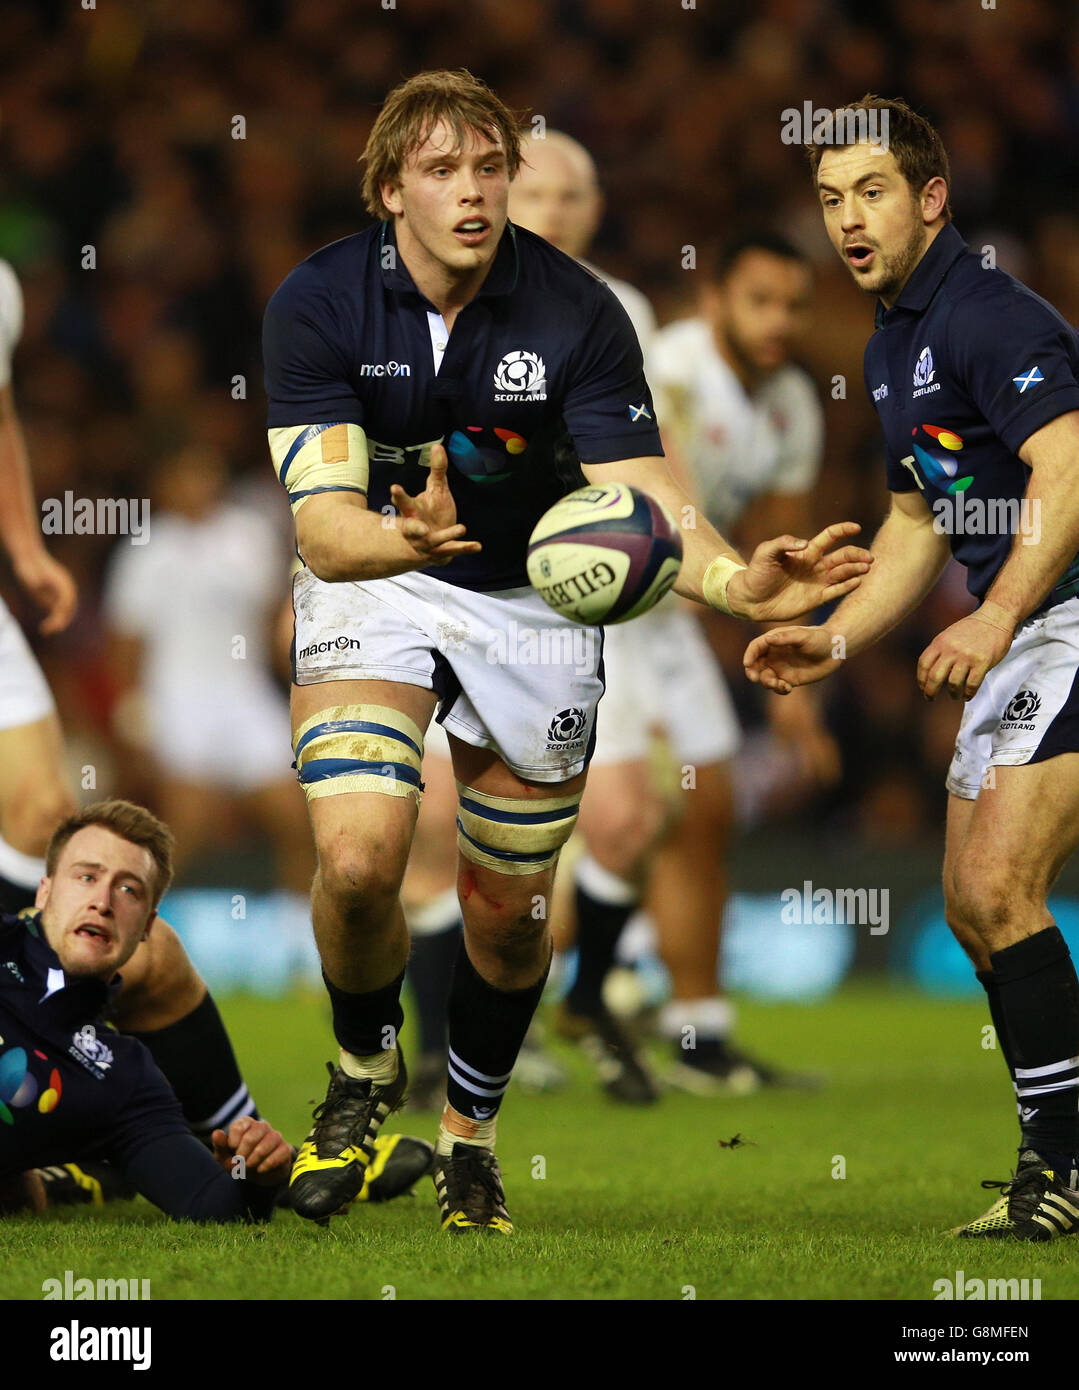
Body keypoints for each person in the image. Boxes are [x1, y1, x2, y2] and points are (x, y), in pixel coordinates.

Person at [263, 68, 871, 1233]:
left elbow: (644, 497)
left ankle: (469, 1142)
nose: (475, 191)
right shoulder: (321, 301)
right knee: (356, 859)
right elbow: (321, 529)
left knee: (505, 914)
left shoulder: (577, 310)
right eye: (443, 170)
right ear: (391, 187)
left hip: (532, 610)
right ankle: (358, 1069)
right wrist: (399, 536)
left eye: (490, 167)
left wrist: (737, 579)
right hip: (380, 580)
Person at [745, 94, 1079, 1240]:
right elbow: (915, 521)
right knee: (971, 909)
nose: (847, 218)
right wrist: (832, 640)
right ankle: (1057, 1168)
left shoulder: (990, 317)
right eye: (830, 199)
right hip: (1027, 621)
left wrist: (994, 618)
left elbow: (1066, 469)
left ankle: (1062, 1173)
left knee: (996, 890)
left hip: (1064, 611)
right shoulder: (893, 341)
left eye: (872, 192)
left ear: (930, 199)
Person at [0, 800, 292, 1221]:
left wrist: (259, 1176)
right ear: (45, 891)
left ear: (147, 927)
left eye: (127, 889)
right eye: (86, 877)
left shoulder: (125, 1081)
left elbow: (214, 1206)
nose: (102, 901)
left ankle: (72, 1178)